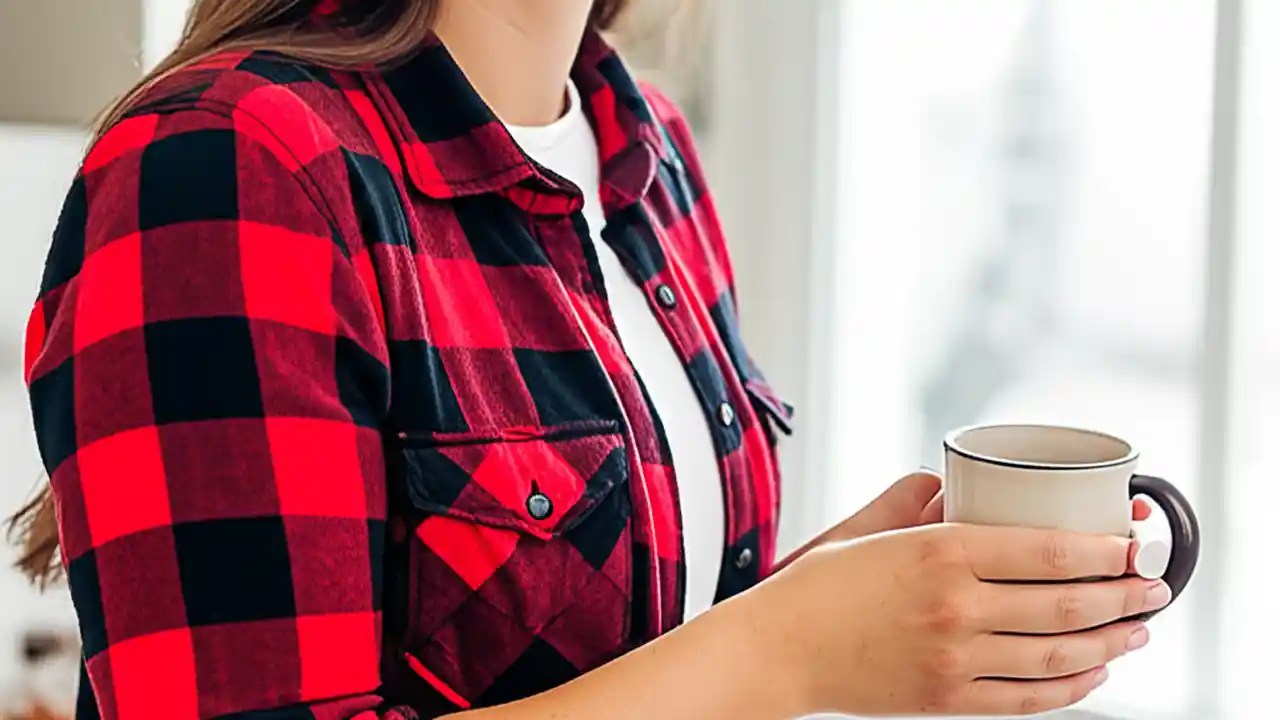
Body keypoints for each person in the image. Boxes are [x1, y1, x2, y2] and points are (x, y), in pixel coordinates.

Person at [11, 1, 1167, 718]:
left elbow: (627, 665)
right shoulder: (231, 163)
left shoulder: (643, 146)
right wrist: (794, 649)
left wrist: (856, 609)